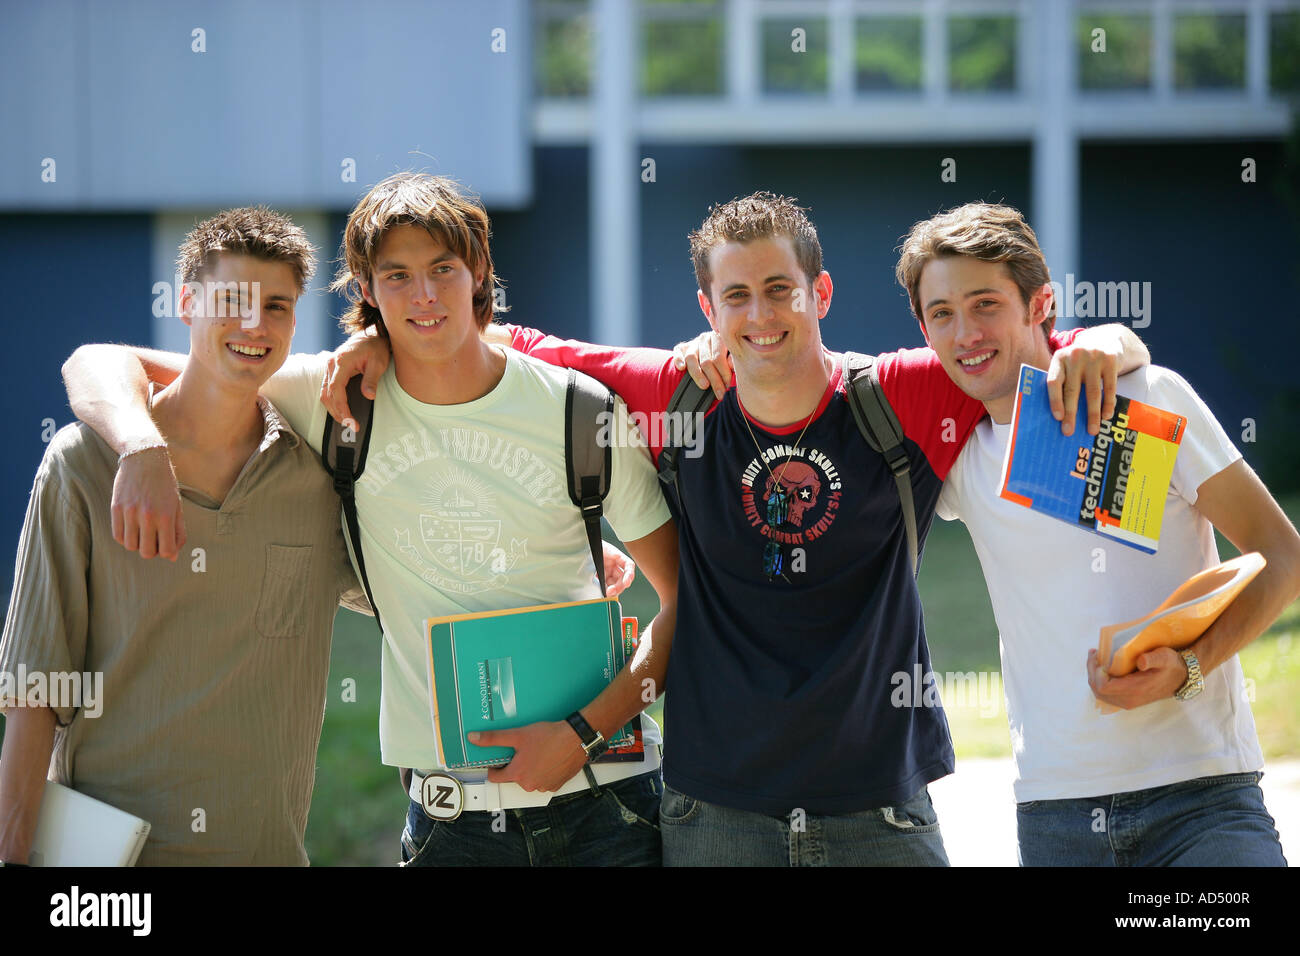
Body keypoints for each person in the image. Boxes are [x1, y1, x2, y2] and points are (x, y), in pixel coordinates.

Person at [322, 191, 1147, 866]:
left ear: (819, 294)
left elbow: (1010, 349)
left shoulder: (903, 394)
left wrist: (1108, 337)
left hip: (882, 812)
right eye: (737, 296)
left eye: (780, 290)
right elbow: (496, 338)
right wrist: (368, 342)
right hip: (712, 816)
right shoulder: (667, 393)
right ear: (708, 308)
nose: (760, 316)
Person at [59, 173, 678, 868]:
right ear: (366, 287)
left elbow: (685, 604)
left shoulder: (581, 411)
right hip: (452, 827)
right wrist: (140, 447)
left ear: (478, 271)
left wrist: (581, 734)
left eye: (443, 270)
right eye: (397, 276)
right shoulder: (330, 397)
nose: (423, 296)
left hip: (609, 808)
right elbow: (99, 360)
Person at [893, 202, 1297, 865]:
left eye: (986, 304)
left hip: (1202, 801)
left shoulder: (1148, 397)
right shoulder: (957, 454)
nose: (965, 332)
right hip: (1057, 820)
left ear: (1040, 304)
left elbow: (1282, 555)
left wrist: (1190, 668)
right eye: (942, 313)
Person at [0, 207, 373, 866]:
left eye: (278, 307)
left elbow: (410, 585)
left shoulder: (318, 481)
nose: (255, 325)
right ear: (186, 303)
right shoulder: (81, 465)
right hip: (106, 871)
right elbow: (35, 698)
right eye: (233, 300)